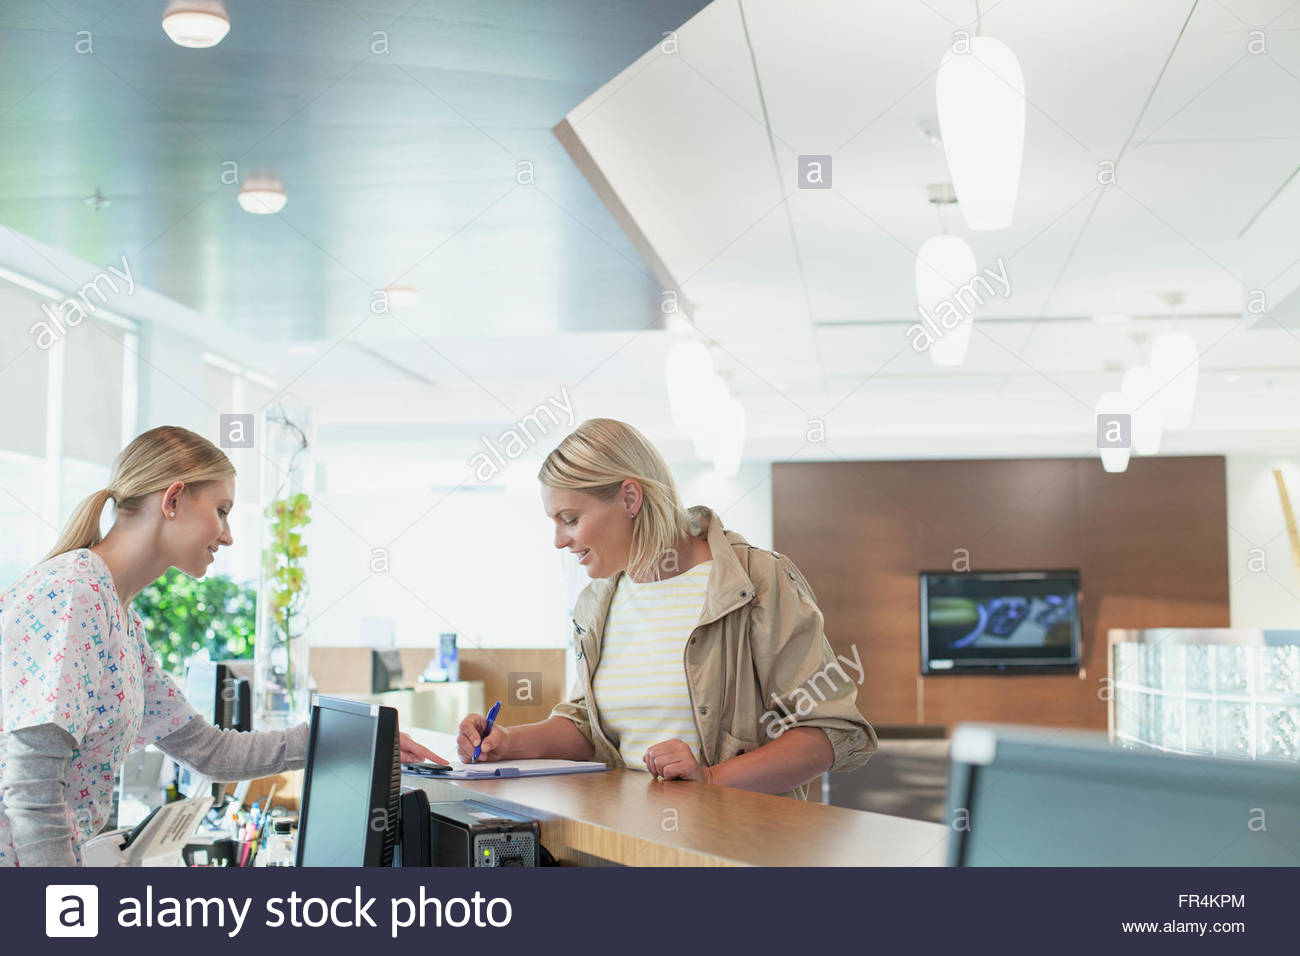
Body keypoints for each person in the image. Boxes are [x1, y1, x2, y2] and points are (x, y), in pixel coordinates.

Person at [0, 425, 444, 867]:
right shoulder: (75, 593)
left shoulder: (119, 616)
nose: (228, 535)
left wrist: (344, 741)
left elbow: (207, 751)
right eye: (222, 510)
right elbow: (32, 784)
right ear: (172, 500)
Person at [457, 418, 876, 799]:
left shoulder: (756, 580)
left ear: (629, 498)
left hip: (733, 851)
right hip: (624, 846)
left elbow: (829, 729)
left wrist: (712, 780)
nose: (559, 541)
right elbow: (590, 726)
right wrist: (508, 742)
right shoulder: (597, 601)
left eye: (569, 519)